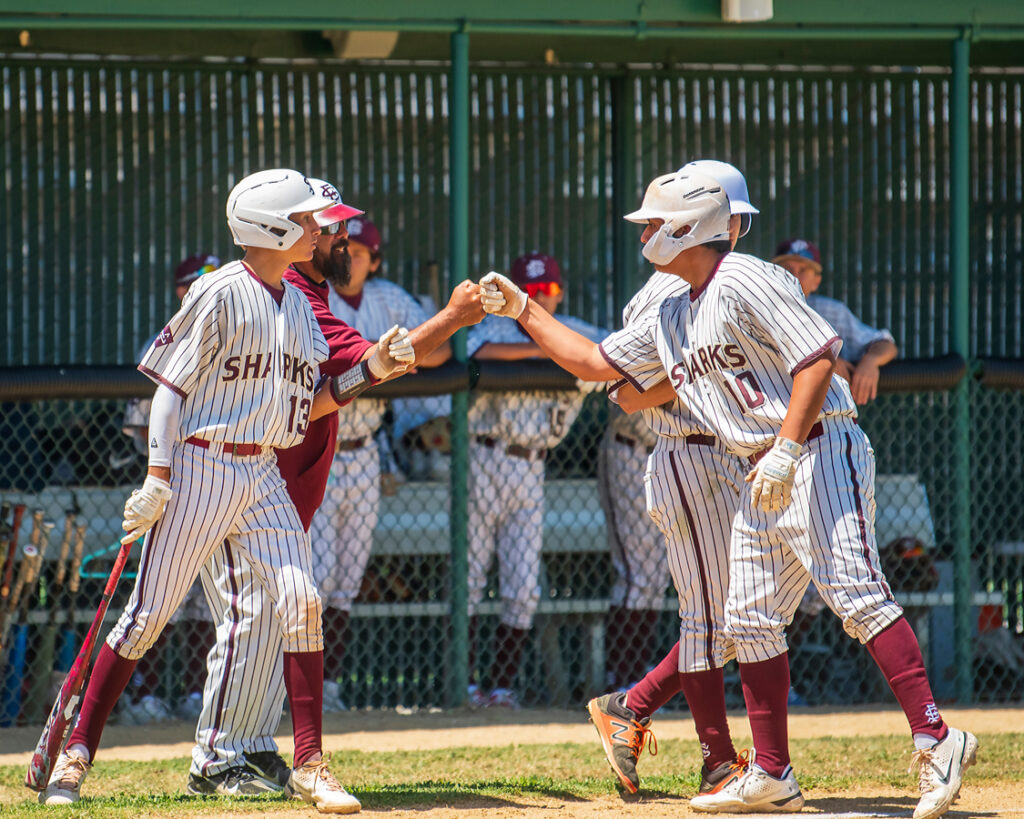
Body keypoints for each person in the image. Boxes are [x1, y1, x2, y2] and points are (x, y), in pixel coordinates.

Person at [40, 168, 416, 812]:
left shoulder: (298, 304)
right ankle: (75, 755)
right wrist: (158, 475)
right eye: (304, 220)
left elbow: (317, 400)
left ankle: (311, 764)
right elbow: (169, 388)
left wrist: (374, 369)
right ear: (269, 227)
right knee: (145, 620)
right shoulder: (219, 291)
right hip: (201, 465)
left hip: (262, 469)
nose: (318, 231)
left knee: (301, 601)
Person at [634, 167, 974, 816]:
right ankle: (771, 771)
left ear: (688, 227)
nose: (647, 233)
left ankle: (938, 737)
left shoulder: (744, 275)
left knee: (855, 591)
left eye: (654, 222)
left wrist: (788, 448)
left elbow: (818, 355)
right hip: (759, 466)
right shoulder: (677, 309)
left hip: (814, 445)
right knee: (750, 616)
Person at [185, 179, 485, 800]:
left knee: (280, 615)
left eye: (342, 228)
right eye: (329, 228)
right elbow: (385, 360)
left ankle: (249, 745)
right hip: (244, 478)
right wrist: (454, 317)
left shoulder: (309, 292)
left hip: (286, 484)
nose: (341, 237)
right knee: (253, 614)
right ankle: (216, 757)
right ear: (296, 234)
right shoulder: (293, 291)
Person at [476, 159, 756, 796]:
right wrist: (523, 310)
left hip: (731, 459)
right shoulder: (664, 290)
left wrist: (660, 384)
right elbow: (610, 374)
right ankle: (718, 754)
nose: (736, 229)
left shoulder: (737, 283)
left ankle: (638, 709)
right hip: (681, 452)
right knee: (717, 616)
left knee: (735, 616)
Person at [317, 215, 451, 711]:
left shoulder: (389, 297)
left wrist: (402, 356)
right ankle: (301, 687)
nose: (350, 258)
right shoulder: (315, 293)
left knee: (348, 580)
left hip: (367, 448)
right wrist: (389, 359)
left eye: (360, 252)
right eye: (344, 249)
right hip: (322, 444)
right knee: (320, 574)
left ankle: (329, 686)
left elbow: (439, 352)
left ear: (374, 260)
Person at [465, 252, 605, 709]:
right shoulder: (498, 327)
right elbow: (476, 353)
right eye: (531, 292)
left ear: (559, 291)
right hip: (486, 456)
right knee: (468, 579)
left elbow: (610, 352)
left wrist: (563, 345)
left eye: (547, 291)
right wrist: (548, 348)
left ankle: (501, 685)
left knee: (524, 587)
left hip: (533, 465)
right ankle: (463, 684)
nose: (542, 298)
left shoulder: (574, 329)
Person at [120, 254, 221, 726]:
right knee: (162, 598)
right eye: (193, 284)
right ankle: (148, 693)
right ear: (180, 292)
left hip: (220, 479)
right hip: (169, 480)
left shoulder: (232, 333)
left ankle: (196, 693)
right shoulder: (161, 341)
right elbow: (139, 426)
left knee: (207, 596)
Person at [773, 238, 898, 405]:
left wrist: (870, 360)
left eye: (803, 270)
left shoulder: (831, 311)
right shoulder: (757, 307)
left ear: (817, 280)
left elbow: (885, 344)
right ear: (772, 273)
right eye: (787, 269)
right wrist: (827, 360)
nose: (794, 276)